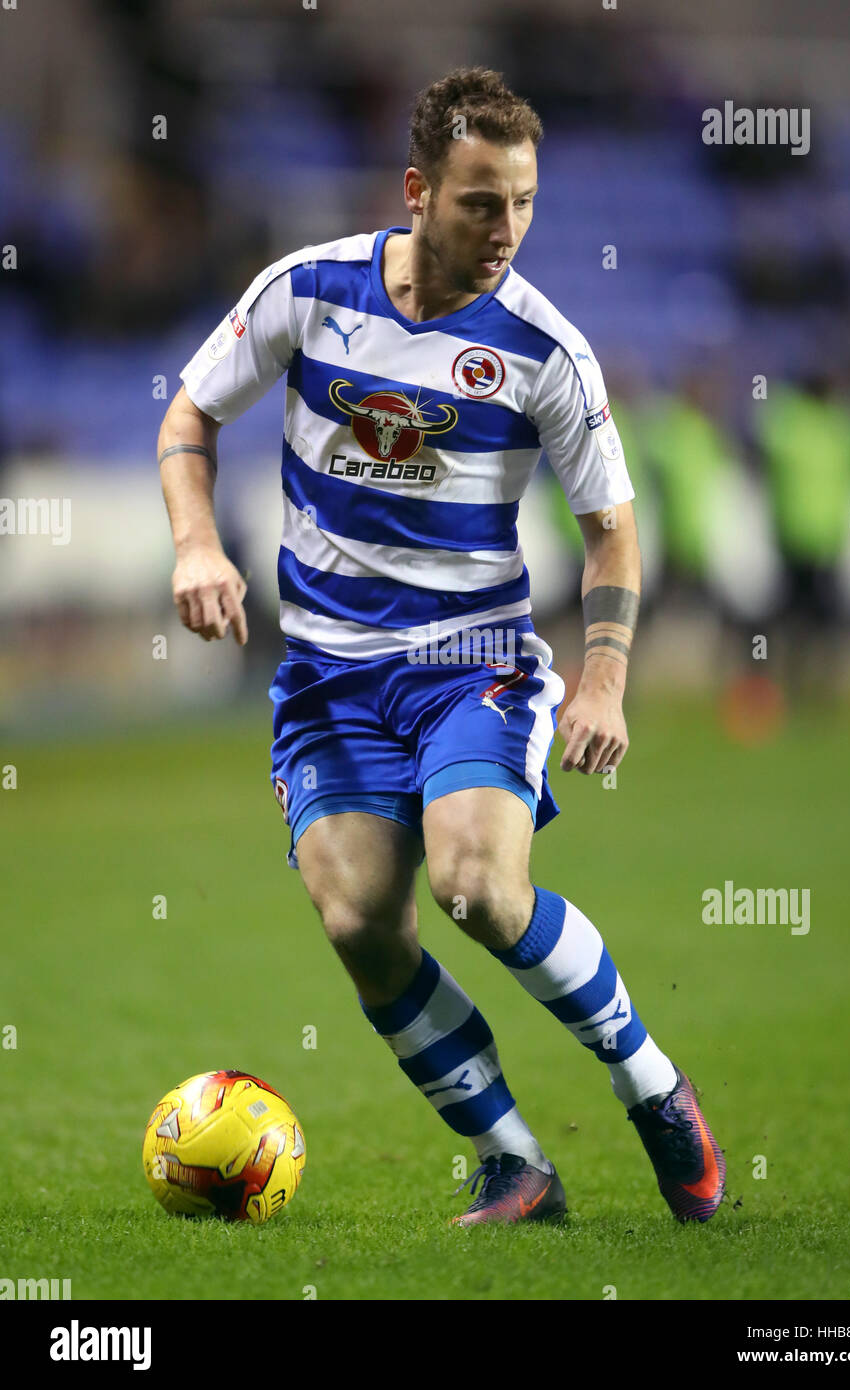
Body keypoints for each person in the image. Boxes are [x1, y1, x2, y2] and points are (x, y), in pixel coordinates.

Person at [157, 67, 725, 1226]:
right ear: (418, 190)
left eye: (521, 201)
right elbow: (189, 416)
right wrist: (194, 548)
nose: (505, 228)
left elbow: (612, 531)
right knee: (361, 922)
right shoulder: (308, 292)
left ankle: (654, 1087)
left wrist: (606, 678)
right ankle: (517, 1162)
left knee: (476, 888)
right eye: (479, 202)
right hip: (327, 679)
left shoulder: (543, 351)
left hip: (473, 667)